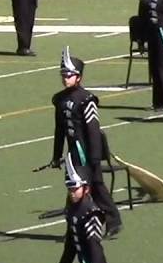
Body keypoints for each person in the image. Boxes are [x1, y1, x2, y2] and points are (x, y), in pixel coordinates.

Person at [50, 46, 124, 235]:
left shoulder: (86, 100)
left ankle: (113, 220)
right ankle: (74, 224)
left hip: (88, 151)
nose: (65, 78)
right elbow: (60, 129)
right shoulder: (59, 99)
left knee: (97, 186)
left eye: (69, 75)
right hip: (73, 152)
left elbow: (93, 131)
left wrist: (95, 159)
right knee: (73, 187)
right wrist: (56, 155)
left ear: (79, 77)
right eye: (63, 75)